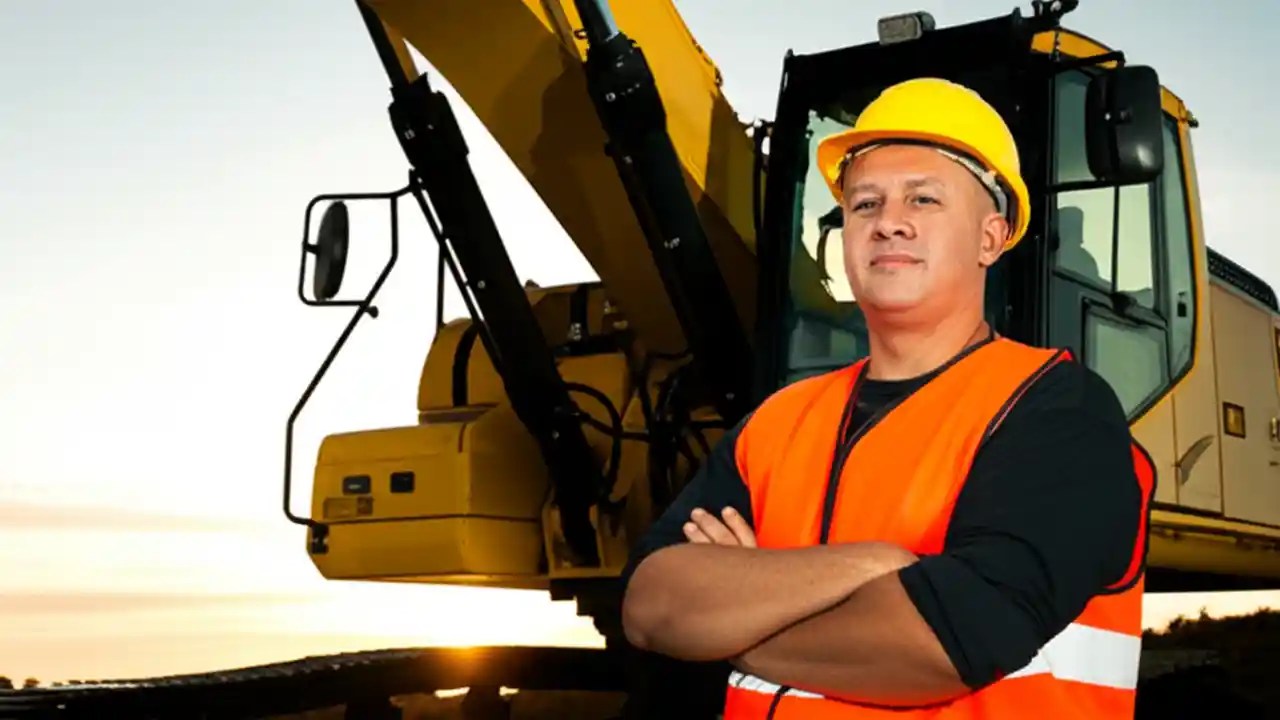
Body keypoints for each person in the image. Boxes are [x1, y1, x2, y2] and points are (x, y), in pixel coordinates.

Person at [619, 77, 1156, 719]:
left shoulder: (1057, 411)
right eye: (864, 204)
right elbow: (650, 606)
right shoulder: (779, 422)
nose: (889, 224)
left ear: (991, 238)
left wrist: (730, 626)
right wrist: (871, 566)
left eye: (924, 199)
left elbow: (942, 645)